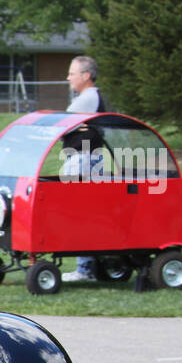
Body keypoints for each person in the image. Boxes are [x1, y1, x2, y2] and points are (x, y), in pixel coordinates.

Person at [61, 55, 107, 282]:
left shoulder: (88, 98)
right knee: (85, 211)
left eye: (72, 73)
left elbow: (62, 125)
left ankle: (85, 268)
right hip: (86, 157)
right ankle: (89, 266)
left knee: (80, 211)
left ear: (86, 76)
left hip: (83, 158)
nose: (68, 77)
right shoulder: (89, 98)